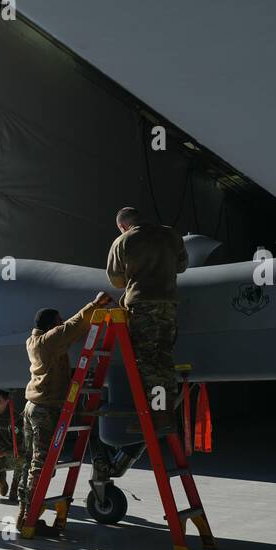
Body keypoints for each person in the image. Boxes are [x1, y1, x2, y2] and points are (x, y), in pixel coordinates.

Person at [19, 295, 113, 515]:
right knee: (42, 465)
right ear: (52, 326)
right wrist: (95, 305)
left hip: (33, 406)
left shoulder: (34, 341)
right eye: (58, 321)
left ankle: (24, 509)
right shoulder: (49, 341)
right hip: (45, 409)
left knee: (31, 462)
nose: (61, 323)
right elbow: (74, 325)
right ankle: (30, 513)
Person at [105, 206, 188, 435]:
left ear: (123, 226)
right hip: (168, 304)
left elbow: (116, 280)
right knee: (163, 358)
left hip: (142, 306)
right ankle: (165, 413)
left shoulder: (123, 240)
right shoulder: (171, 234)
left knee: (147, 363)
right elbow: (182, 266)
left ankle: (156, 417)